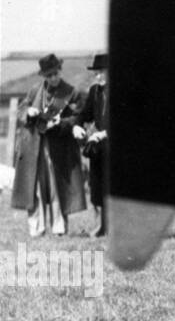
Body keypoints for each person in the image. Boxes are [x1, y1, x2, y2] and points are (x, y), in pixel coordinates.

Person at [11, 53, 87, 237]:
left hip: (59, 144)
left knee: (56, 185)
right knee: (34, 184)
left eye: (55, 74)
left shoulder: (71, 92)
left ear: (60, 71)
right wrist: (29, 111)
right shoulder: (34, 90)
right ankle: (36, 227)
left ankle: (59, 226)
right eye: (49, 75)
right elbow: (21, 109)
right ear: (43, 76)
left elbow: (78, 117)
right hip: (34, 144)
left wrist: (60, 124)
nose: (53, 78)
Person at [72, 53, 110, 237]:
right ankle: (102, 226)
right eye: (97, 73)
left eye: (102, 72)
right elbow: (84, 114)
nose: (99, 76)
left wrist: (102, 133)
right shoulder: (95, 91)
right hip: (99, 148)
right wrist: (77, 126)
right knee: (97, 187)